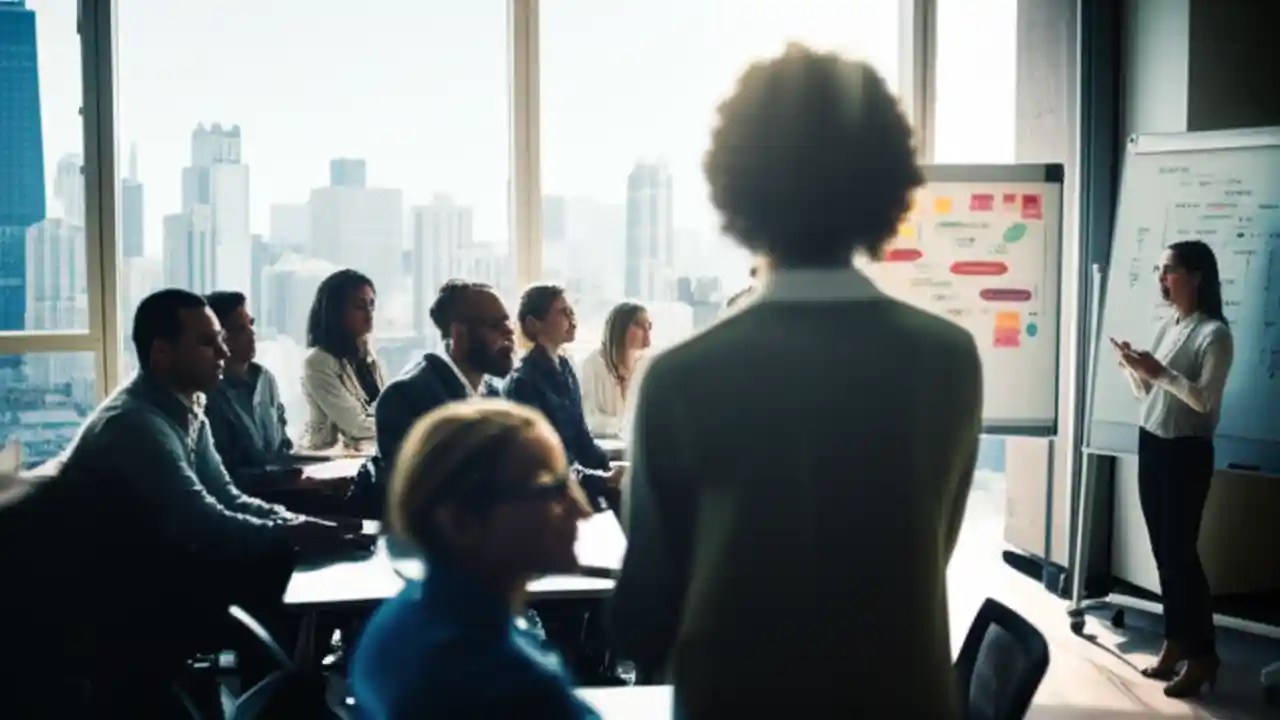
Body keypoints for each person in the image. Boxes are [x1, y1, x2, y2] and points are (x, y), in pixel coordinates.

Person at [611, 45, 978, 718]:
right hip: (901, 695)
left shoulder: (680, 377)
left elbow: (646, 614)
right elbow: (930, 549)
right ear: (888, 185)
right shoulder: (949, 359)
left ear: (734, 186)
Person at [350, 399, 600, 719]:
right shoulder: (508, 684)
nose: (581, 510)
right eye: (549, 491)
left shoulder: (402, 617)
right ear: (461, 521)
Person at [1110, 239, 1233, 698]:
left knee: (1181, 555)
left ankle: (1204, 656)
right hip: (1153, 444)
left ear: (1197, 275)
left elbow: (1203, 400)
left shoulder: (1214, 334)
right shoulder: (1171, 325)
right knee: (1164, 553)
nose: (1162, 279)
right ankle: (1176, 642)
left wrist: (1159, 373)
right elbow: (1152, 396)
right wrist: (1133, 368)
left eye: (1169, 270)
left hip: (1186, 453)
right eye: (1160, 271)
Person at [376, 280, 517, 478]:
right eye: (495, 325)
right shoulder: (406, 397)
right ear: (459, 335)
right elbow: (417, 494)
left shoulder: (494, 395)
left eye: (508, 322)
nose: (509, 332)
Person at [503, 284, 624, 511]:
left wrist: (610, 469)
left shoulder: (566, 368)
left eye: (571, 311)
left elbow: (581, 438)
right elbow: (543, 460)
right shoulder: (523, 382)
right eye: (563, 312)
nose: (572, 318)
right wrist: (600, 479)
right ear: (533, 323)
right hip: (551, 495)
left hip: (579, 481)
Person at [203, 291, 294, 482]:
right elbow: (223, 471)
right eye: (240, 328)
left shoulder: (266, 380)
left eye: (251, 324)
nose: (252, 333)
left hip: (283, 487)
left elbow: (283, 445)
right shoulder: (209, 392)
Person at [301, 269, 386, 453]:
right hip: (330, 460)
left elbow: (385, 408)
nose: (369, 314)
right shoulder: (318, 363)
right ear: (336, 312)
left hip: (366, 454)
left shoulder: (368, 356)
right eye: (359, 307)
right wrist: (404, 425)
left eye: (372, 305)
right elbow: (355, 426)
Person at [578, 302, 651, 437]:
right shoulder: (593, 365)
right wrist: (625, 427)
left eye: (649, 326)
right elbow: (590, 418)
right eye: (639, 325)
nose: (646, 332)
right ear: (620, 328)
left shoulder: (645, 366)